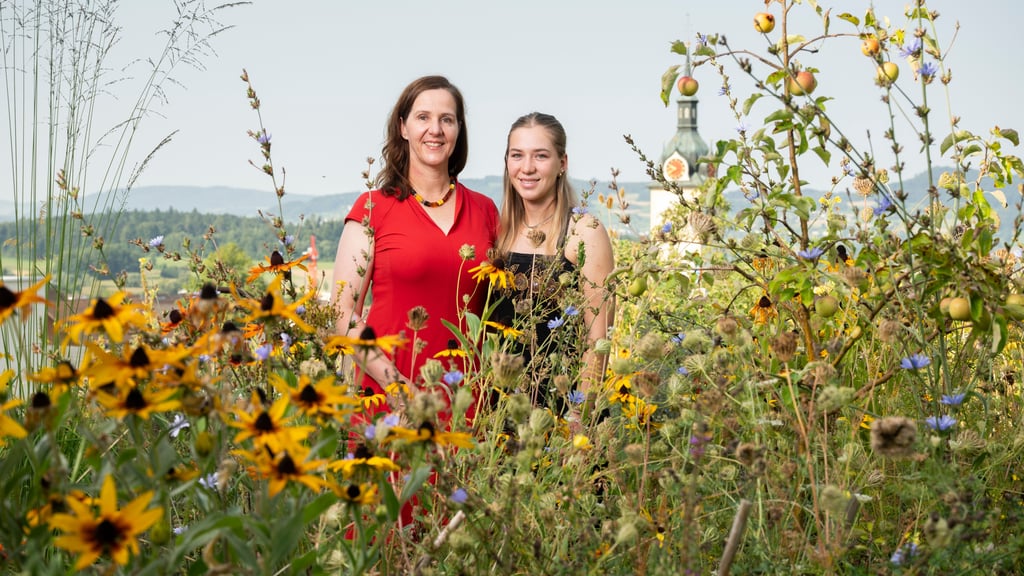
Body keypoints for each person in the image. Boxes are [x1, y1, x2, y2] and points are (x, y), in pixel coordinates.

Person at [330, 75, 498, 419]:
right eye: (423, 117)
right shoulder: (372, 208)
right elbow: (341, 313)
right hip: (389, 400)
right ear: (403, 126)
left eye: (446, 119)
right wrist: (398, 388)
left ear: (458, 131)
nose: (434, 129)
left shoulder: (487, 211)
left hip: (468, 401)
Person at [491, 112, 614, 414]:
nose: (527, 168)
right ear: (507, 162)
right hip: (499, 413)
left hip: (562, 412)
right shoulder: (498, 233)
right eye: (517, 155)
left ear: (562, 163)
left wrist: (577, 419)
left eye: (541, 156)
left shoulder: (583, 232)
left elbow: (597, 342)